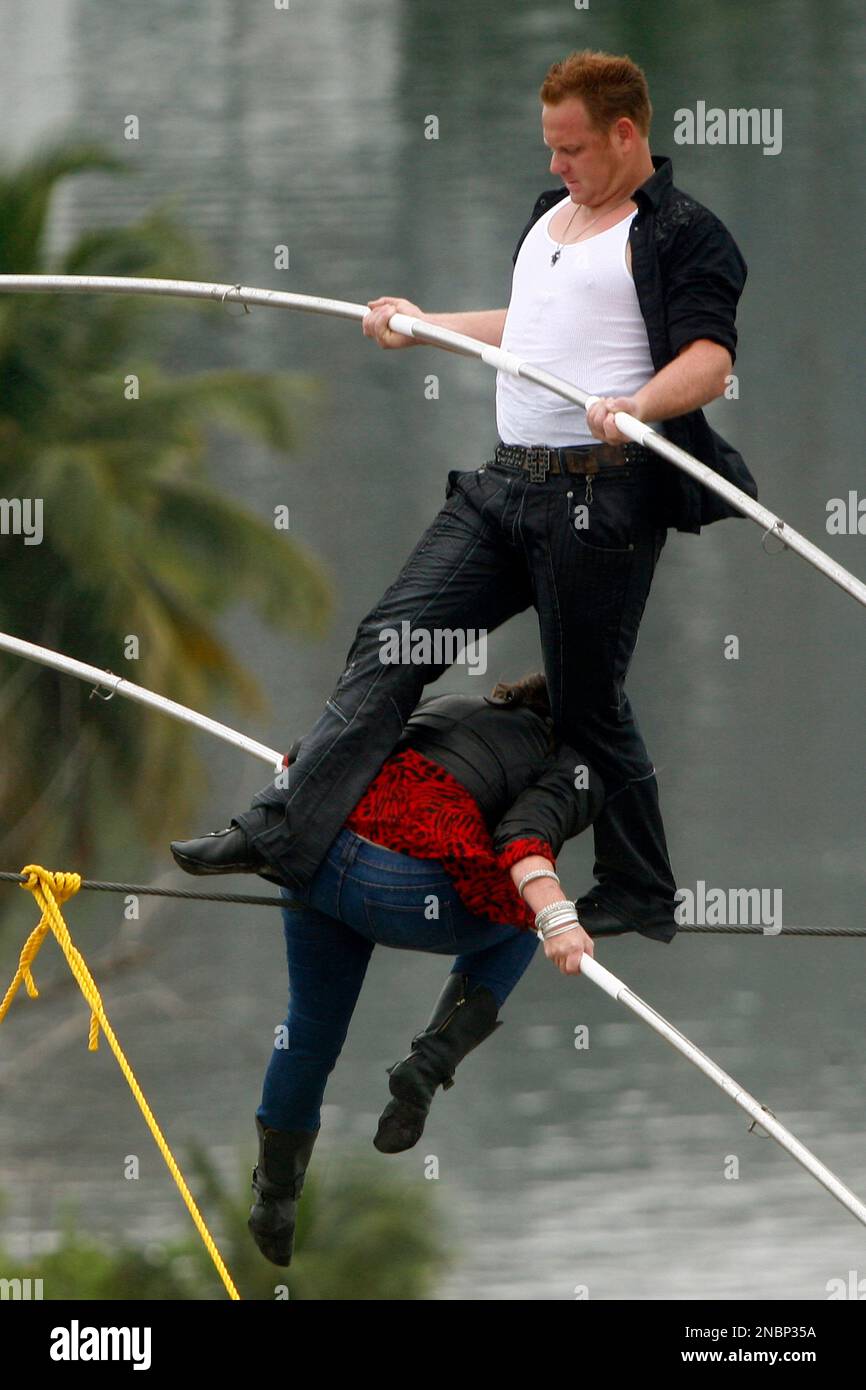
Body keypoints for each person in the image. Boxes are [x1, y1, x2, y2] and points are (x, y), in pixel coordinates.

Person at [171, 48, 756, 951]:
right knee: (391, 638)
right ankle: (283, 826)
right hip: (503, 486)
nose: (556, 166)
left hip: (596, 504)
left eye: (571, 149)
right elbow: (528, 330)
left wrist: (637, 405)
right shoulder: (549, 218)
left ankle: (641, 888)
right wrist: (425, 324)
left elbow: (710, 360)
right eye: (550, 149)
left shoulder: (684, 231)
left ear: (625, 133)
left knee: (587, 704)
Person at [177, 674, 605, 1266]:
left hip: (311, 859)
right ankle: (428, 1063)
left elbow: (317, 752)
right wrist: (556, 916)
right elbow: (524, 840)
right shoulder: (568, 760)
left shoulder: (448, 703)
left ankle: (274, 1197)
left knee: (310, 1027)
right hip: (398, 892)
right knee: (522, 916)